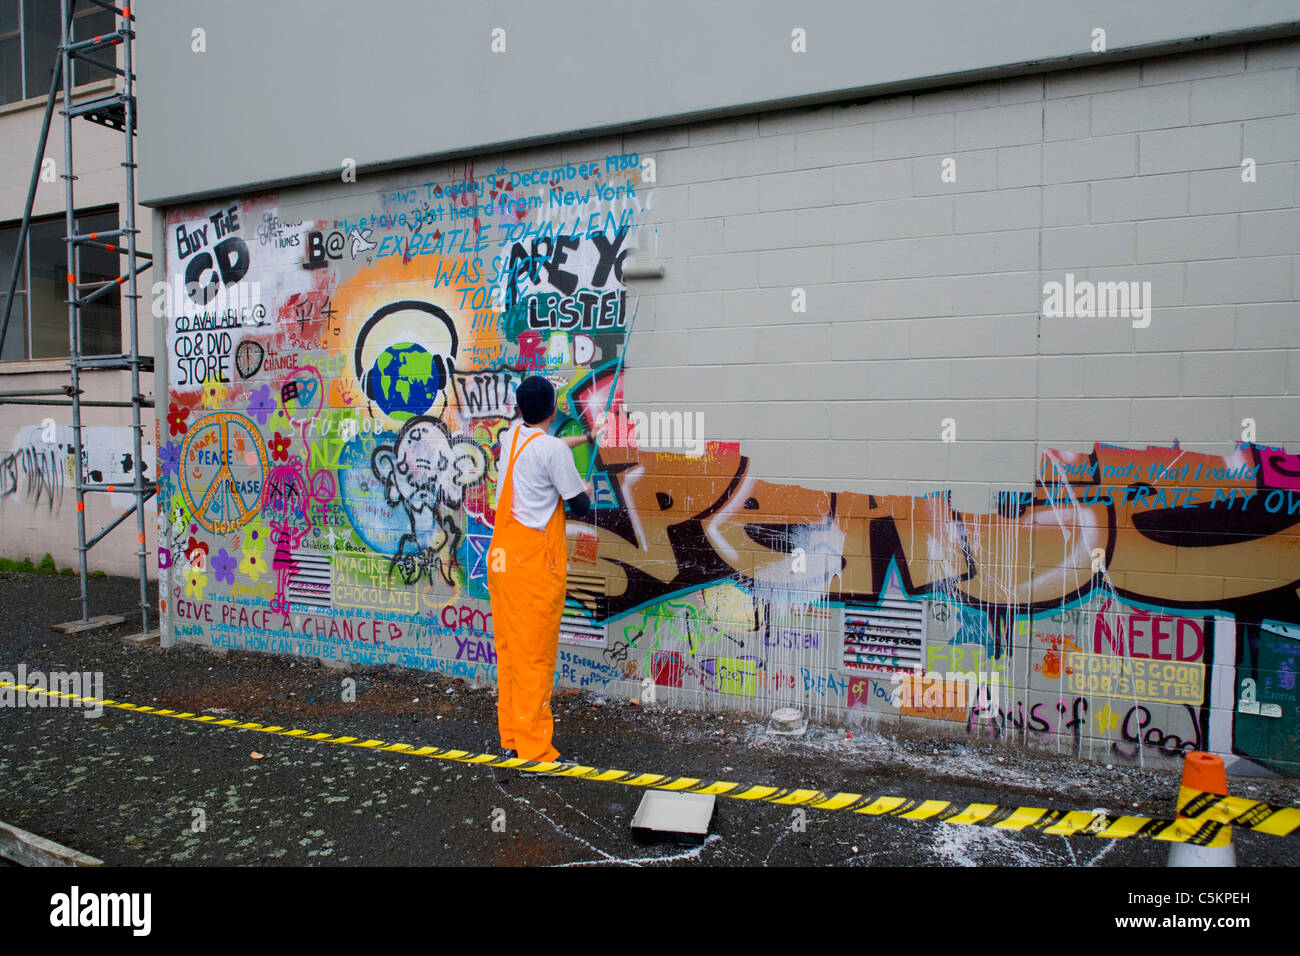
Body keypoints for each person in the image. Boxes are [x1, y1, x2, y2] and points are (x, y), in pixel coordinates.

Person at [486, 376, 604, 766]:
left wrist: (587, 439)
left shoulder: (510, 437)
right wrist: (586, 486)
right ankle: (536, 753)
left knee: (511, 653)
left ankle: (512, 739)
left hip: (502, 559)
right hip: (533, 565)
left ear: (522, 410)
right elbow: (581, 506)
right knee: (535, 657)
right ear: (553, 410)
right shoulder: (551, 450)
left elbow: (547, 447)